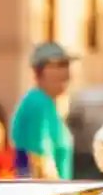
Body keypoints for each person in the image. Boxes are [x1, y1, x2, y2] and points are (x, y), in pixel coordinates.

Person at [11, 42, 77, 180]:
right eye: (60, 65)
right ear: (39, 71)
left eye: (67, 65)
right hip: (46, 191)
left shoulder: (47, 104)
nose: (66, 73)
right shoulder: (38, 102)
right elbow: (41, 160)